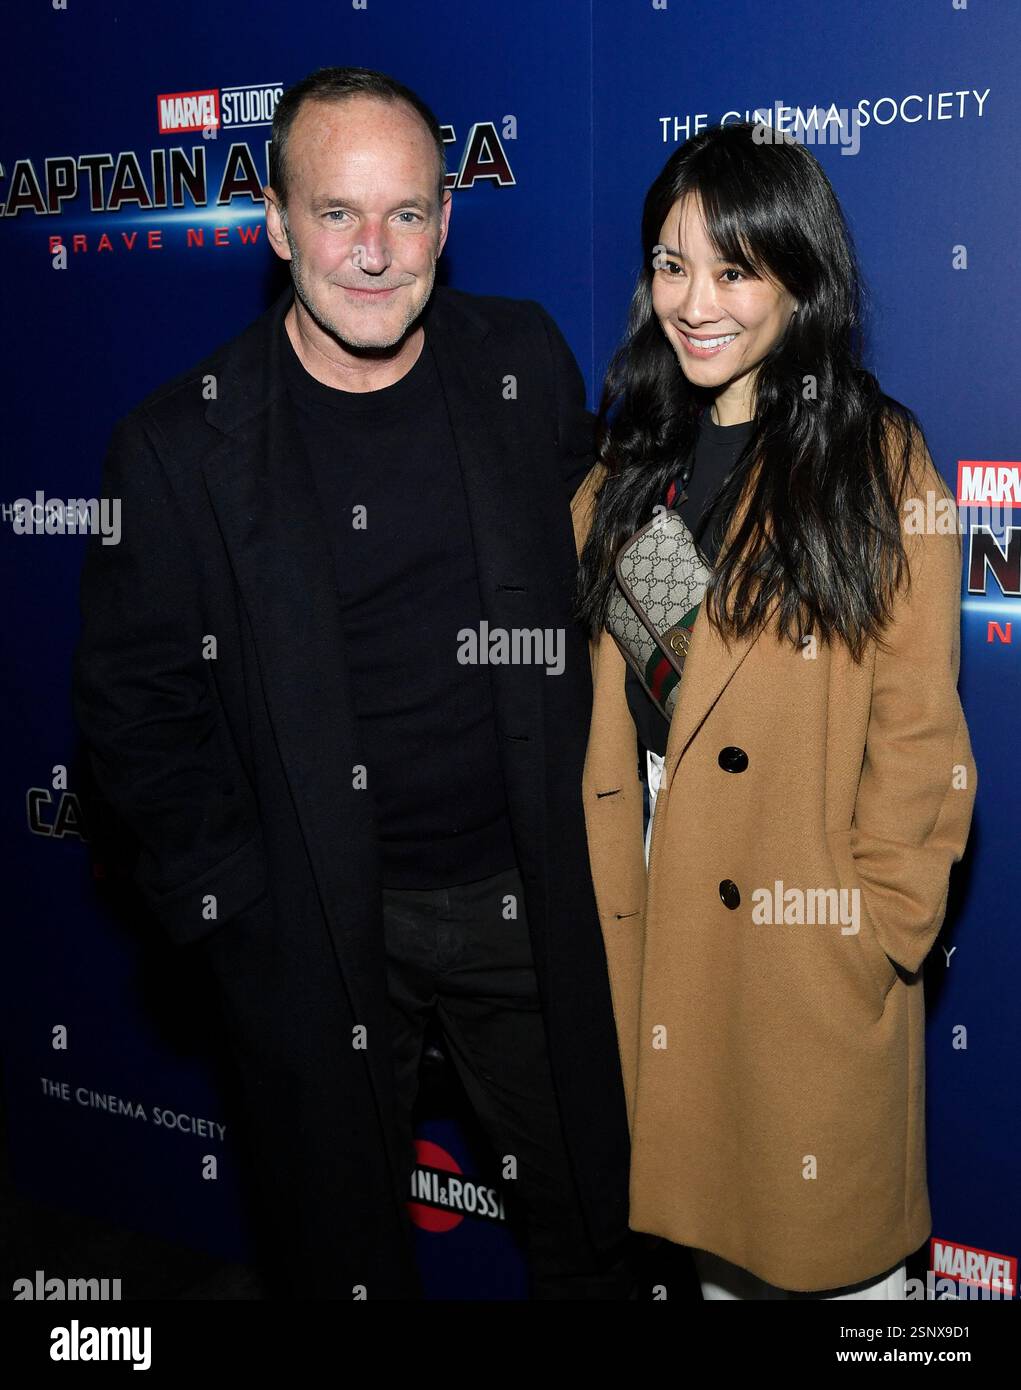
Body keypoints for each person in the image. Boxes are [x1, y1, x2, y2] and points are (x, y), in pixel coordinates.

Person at [71, 65, 631, 1300]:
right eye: (336, 213)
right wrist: (240, 914)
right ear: (277, 224)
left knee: (597, 1228)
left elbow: (611, 543)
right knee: (339, 1260)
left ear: (444, 220)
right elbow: (135, 711)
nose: (373, 253)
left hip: (524, 894)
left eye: (405, 213)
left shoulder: (520, 357)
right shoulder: (176, 445)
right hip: (320, 928)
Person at [572, 122, 976, 1300]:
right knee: (712, 1257)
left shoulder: (873, 462)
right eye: (669, 265)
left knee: (833, 1274)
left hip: (800, 929)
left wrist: (876, 928)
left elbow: (919, 733)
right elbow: (651, 703)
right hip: (661, 915)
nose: (694, 303)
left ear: (801, 279)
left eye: (733, 269)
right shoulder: (631, 464)